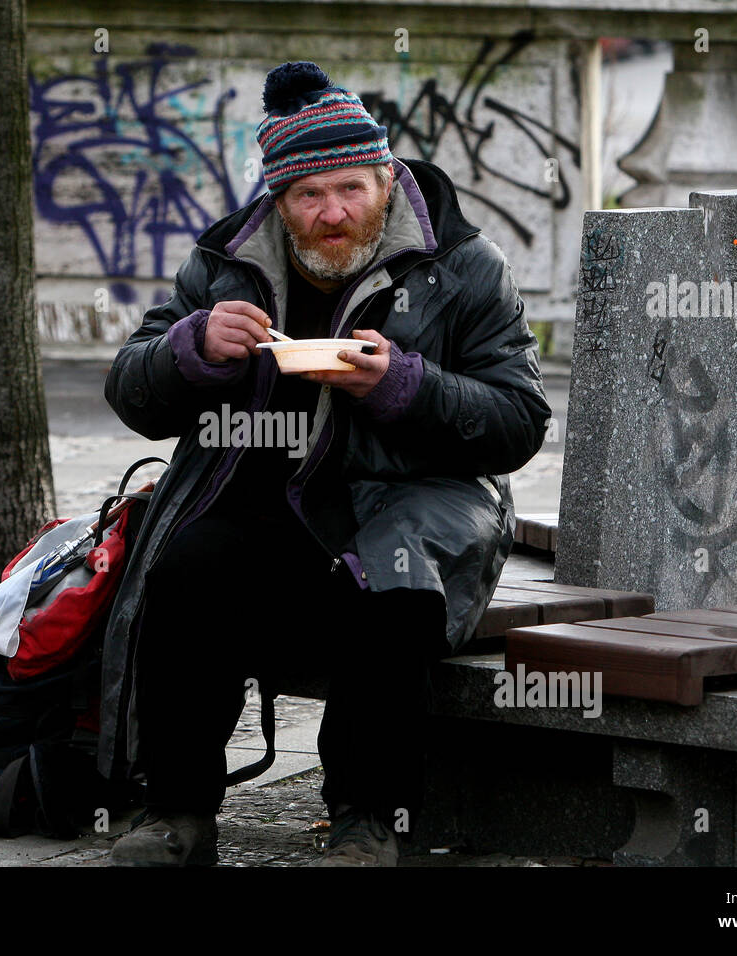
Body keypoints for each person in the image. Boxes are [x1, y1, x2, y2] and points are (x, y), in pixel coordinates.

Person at [98, 61, 551, 866]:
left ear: (387, 179)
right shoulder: (224, 262)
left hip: (416, 493)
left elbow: (517, 423)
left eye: (351, 189)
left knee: (394, 579)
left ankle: (367, 820)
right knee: (184, 563)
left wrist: (403, 385)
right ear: (279, 201)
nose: (333, 214)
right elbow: (134, 394)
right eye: (309, 196)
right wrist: (190, 351)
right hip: (260, 491)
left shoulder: (462, 264)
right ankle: (175, 812)